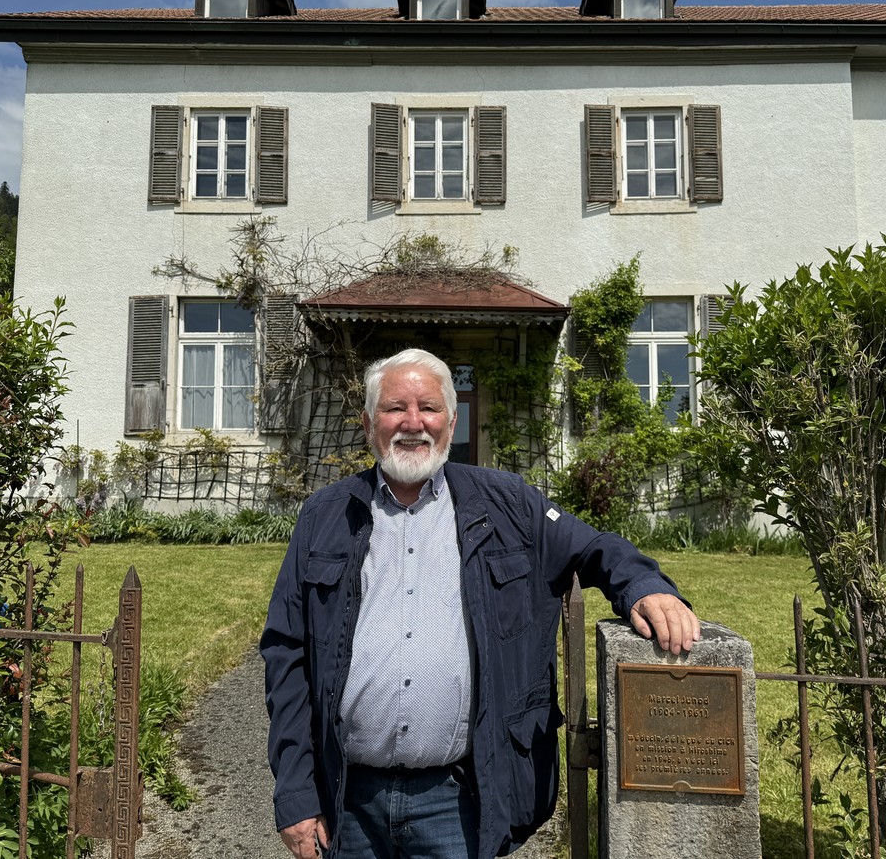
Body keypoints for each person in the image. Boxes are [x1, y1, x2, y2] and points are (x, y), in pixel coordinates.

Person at [261, 348, 700, 859]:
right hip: (348, 802)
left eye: (429, 407)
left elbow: (594, 546)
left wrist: (646, 587)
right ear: (367, 423)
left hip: (459, 800)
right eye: (394, 408)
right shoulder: (325, 515)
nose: (412, 422)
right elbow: (285, 653)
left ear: (451, 421)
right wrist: (295, 793)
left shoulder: (507, 502)